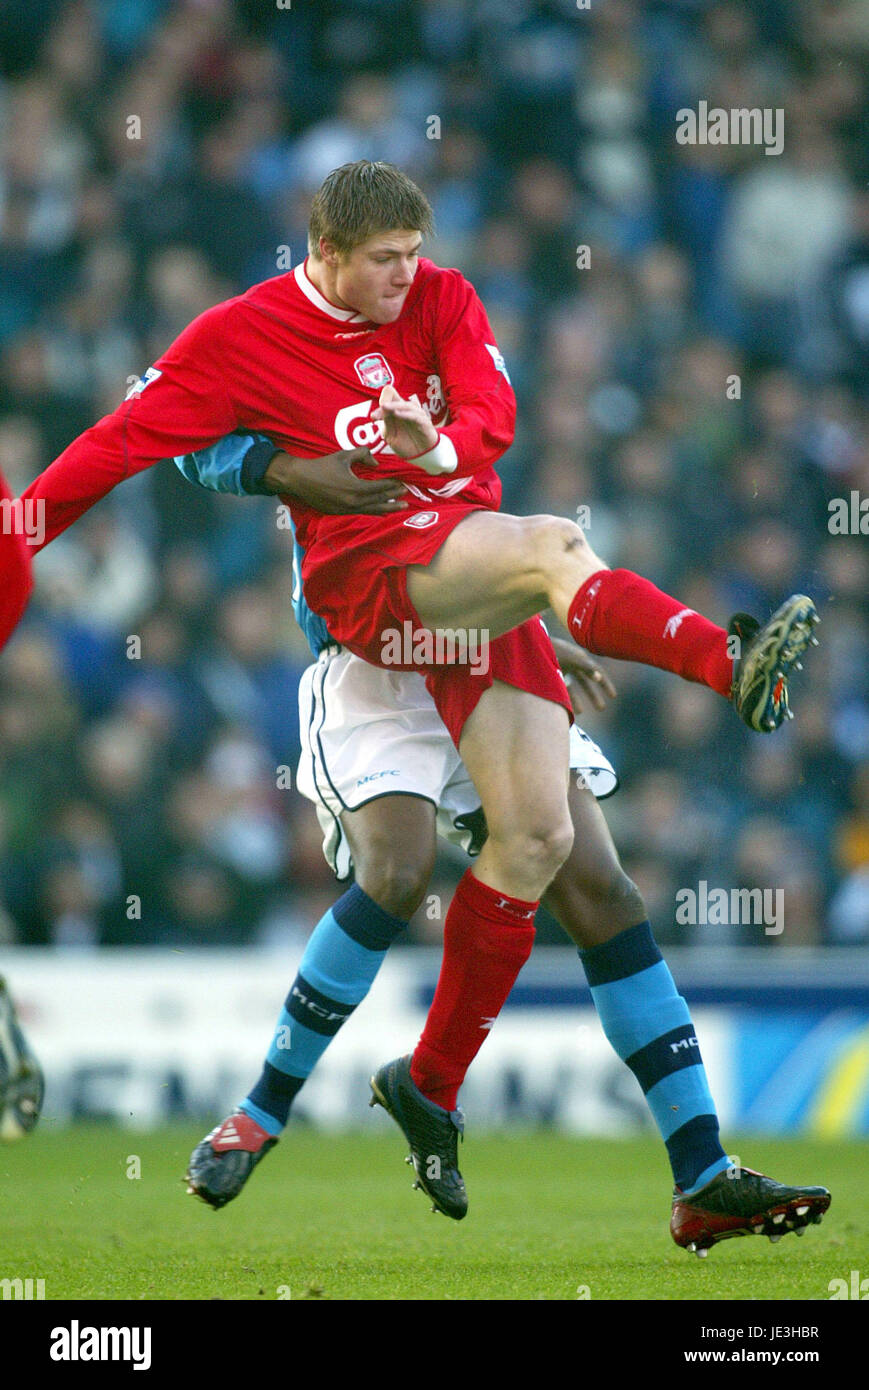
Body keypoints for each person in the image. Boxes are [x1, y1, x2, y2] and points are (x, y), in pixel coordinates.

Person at [0, 160, 821, 1249]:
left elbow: (491, 415)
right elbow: (135, 445)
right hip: (371, 594)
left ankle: (668, 1162)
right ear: (323, 251)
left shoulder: (441, 298)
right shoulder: (239, 336)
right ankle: (724, 663)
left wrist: (438, 454)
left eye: (411, 254)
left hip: (469, 591)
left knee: (565, 860)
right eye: (381, 260)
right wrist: (26, 532)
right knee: (407, 839)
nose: (403, 276)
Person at [176, 434, 830, 1256]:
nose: (400, 294)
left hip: (482, 642)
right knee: (397, 872)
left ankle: (700, 1175)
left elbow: (471, 516)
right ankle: (260, 1112)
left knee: (601, 890)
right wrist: (275, 467)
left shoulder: (442, 326)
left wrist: (520, 620)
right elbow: (185, 440)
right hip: (375, 652)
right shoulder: (297, 334)